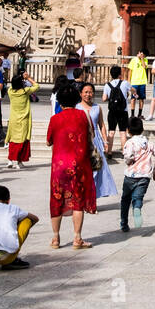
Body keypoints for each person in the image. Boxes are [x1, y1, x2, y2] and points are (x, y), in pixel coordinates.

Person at [47, 85, 97, 249]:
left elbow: (49, 141)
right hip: (79, 165)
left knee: (57, 199)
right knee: (78, 201)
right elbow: (92, 136)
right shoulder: (83, 115)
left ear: (60, 102)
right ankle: (77, 238)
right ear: (76, 100)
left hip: (59, 167)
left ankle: (55, 238)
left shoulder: (55, 119)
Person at [119, 116, 155, 232]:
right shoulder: (148, 143)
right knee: (138, 197)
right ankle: (137, 207)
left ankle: (124, 223)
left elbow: (128, 157)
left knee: (125, 199)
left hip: (130, 176)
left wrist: (129, 161)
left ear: (128, 130)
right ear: (142, 129)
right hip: (144, 176)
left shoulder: (129, 143)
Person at [78, 81, 117, 199]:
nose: (88, 94)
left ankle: (92, 199)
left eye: (90, 92)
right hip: (82, 142)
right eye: (86, 92)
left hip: (96, 142)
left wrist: (105, 141)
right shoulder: (77, 108)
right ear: (80, 94)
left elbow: (102, 125)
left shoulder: (97, 107)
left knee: (96, 170)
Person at [4, 70, 38, 169]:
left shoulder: (10, 91)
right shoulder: (25, 91)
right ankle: (19, 162)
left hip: (13, 119)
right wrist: (28, 78)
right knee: (22, 141)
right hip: (24, 119)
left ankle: (10, 160)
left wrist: (18, 79)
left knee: (13, 140)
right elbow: (37, 86)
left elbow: (12, 86)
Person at [102, 65, 130, 157]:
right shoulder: (125, 83)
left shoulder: (107, 85)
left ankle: (109, 152)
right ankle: (124, 152)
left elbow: (104, 98)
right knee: (122, 132)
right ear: (120, 74)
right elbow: (132, 91)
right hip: (123, 111)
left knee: (111, 131)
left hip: (112, 111)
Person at [126, 50, 149, 118]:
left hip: (142, 82)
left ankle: (140, 114)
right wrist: (129, 81)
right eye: (141, 54)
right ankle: (132, 114)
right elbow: (130, 70)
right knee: (133, 98)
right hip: (134, 82)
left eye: (143, 55)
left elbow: (144, 67)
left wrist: (142, 58)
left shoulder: (145, 60)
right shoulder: (133, 60)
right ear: (139, 52)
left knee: (141, 98)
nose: (142, 55)